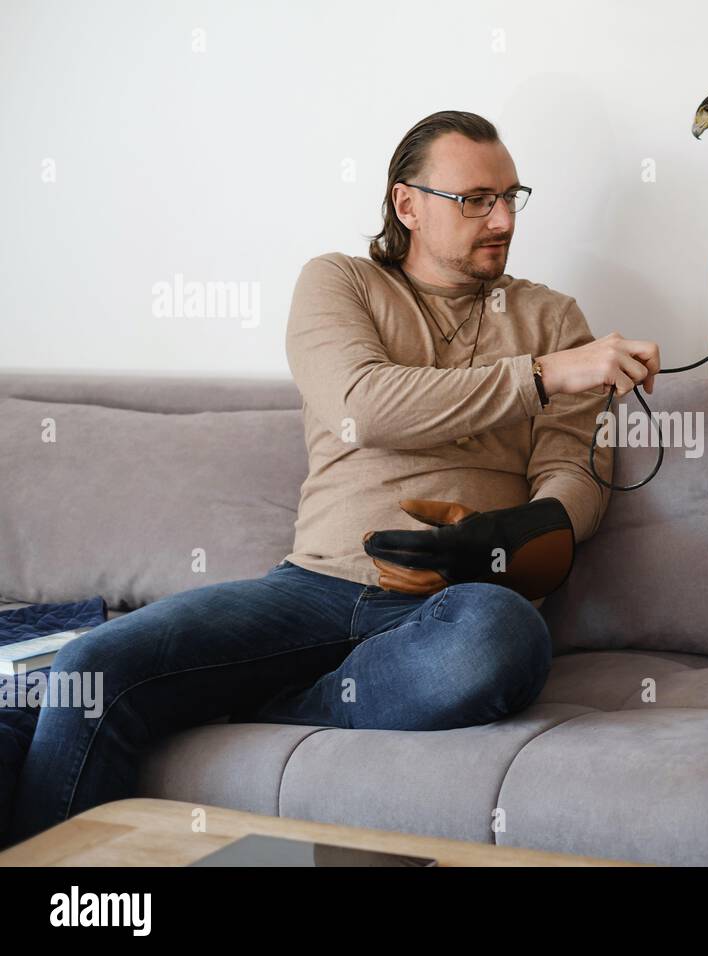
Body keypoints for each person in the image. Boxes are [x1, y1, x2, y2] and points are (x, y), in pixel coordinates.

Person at [0, 110, 660, 848]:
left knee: (501, 639)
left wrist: (507, 539)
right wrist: (541, 375)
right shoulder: (338, 283)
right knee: (94, 663)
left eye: (512, 196)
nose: (502, 218)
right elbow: (362, 406)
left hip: (456, 605)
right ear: (407, 204)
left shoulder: (552, 317)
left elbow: (574, 475)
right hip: (311, 590)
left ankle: (271, 707)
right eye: (475, 199)